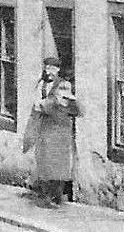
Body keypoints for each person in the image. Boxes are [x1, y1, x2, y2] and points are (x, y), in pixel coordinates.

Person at [24, 57, 79, 207]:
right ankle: (47, 193)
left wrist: (46, 105)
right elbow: (36, 101)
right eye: (47, 68)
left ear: (58, 70)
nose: (48, 71)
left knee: (59, 162)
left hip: (60, 127)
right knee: (44, 159)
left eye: (52, 69)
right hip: (45, 126)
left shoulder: (63, 85)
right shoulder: (41, 83)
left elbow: (64, 103)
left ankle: (57, 195)